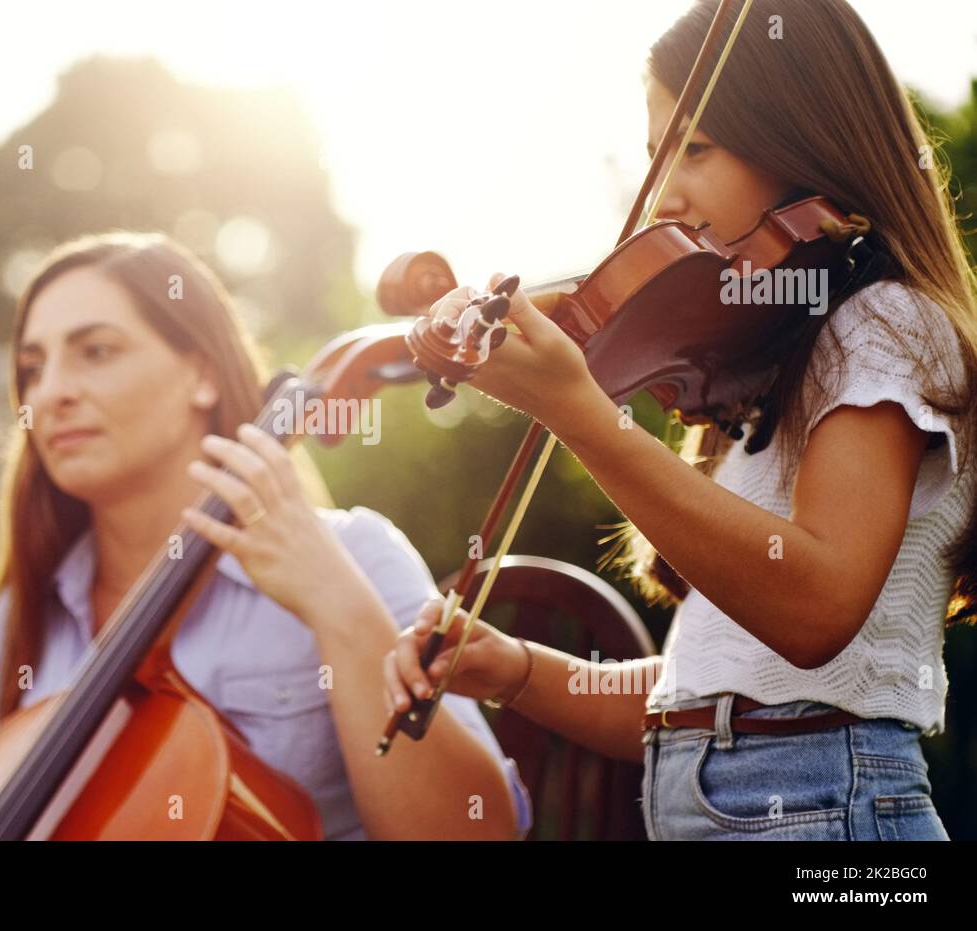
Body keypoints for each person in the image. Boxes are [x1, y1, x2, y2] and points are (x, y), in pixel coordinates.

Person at [385, 0, 976, 840]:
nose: (665, 195)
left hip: (830, 812)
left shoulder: (886, 323)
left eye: (695, 148)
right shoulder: (772, 371)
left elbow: (814, 608)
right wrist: (515, 670)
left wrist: (581, 416)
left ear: (801, 133)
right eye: (657, 155)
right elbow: (707, 706)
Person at [0, 231, 530, 841]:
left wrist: (334, 600)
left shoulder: (356, 556)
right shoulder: (19, 625)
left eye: (94, 351)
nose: (50, 391)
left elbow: (480, 831)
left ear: (202, 375)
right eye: (33, 366)